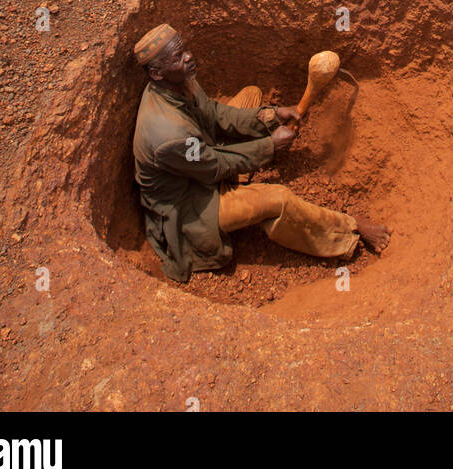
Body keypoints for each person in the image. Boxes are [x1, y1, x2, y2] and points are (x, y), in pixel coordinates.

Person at [132, 23, 390, 282]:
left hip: (200, 158)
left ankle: (246, 168)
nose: (188, 56)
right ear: (156, 73)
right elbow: (214, 165)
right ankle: (349, 230)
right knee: (278, 199)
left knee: (251, 96)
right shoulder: (168, 135)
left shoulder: (180, 81)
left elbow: (215, 113)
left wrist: (274, 114)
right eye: (178, 57)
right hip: (191, 202)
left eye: (184, 49)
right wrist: (270, 146)